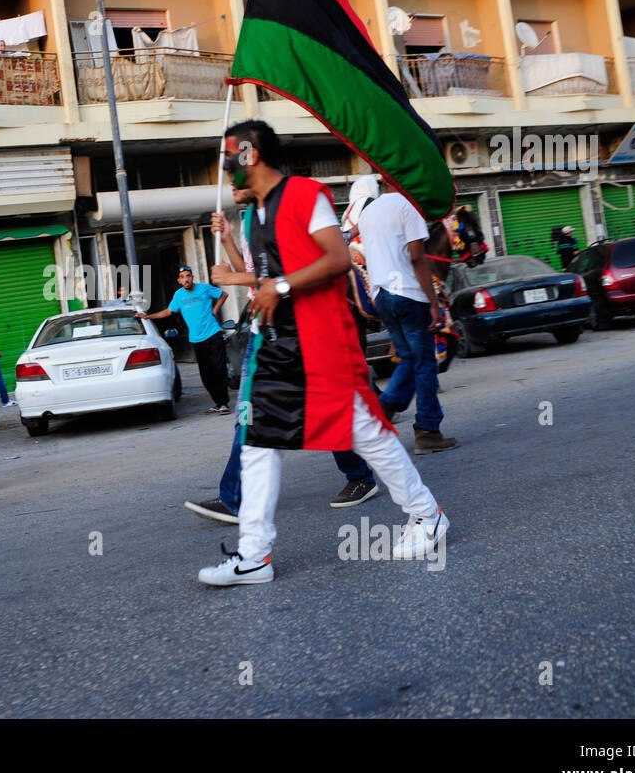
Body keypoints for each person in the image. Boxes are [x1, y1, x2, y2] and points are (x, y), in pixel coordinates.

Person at [197, 121, 450, 586]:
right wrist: (249, 274)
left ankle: (426, 515)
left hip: (319, 344)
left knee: (366, 433)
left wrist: (281, 285)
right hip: (276, 345)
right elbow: (267, 277)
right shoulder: (257, 214)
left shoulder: (305, 195)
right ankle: (254, 556)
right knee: (257, 444)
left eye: (229, 154)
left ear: (250, 155)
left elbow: (335, 259)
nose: (224, 164)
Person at [357, 178, 459, 454]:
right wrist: (433, 301)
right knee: (425, 363)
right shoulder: (409, 207)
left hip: (381, 295)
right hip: (407, 294)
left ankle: (386, 407)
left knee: (410, 357)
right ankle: (426, 429)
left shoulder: (368, 212)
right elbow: (417, 258)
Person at [137, 267, 230, 413]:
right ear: (179, 281)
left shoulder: (204, 288)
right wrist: (148, 317)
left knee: (219, 370)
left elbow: (224, 294)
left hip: (213, 334)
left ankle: (224, 403)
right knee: (206, 375)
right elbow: (168, 311)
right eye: (182, 277)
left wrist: (215, 310)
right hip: (196, 339)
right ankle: (218, 403)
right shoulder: (179, 295)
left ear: (192, 277)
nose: (186, 279)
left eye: (188, 276)